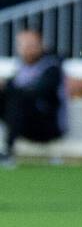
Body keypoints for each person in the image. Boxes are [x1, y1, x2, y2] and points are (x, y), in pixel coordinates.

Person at [0, 29, 66, 165]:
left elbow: (37, 92)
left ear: (41, 45)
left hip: (48, 126)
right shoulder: (21, 67)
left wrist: (7, 87)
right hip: (23, 123)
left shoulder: (52, 67)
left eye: (31, 45)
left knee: (16, 98)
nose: (26, 49)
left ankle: (7, 152)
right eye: (23, 45)